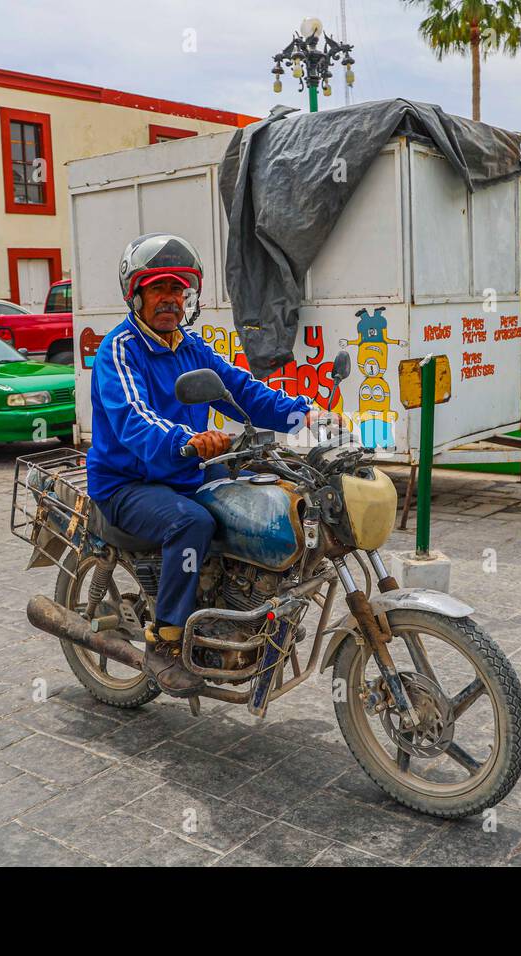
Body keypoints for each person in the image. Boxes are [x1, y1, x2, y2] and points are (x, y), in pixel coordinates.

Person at [86, 234, 329, 695]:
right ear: (135, 294)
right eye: (159, 289)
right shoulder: (118, 350)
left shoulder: (192, 347)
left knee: (271, 489)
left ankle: (246, 600)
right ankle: (167, 640)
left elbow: (243, 392)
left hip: (184, 470)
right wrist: (188, 440)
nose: (170, 300)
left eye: (178, 290)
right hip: (127, 482)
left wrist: (308, 416)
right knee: (192, 522)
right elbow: (134, 420)